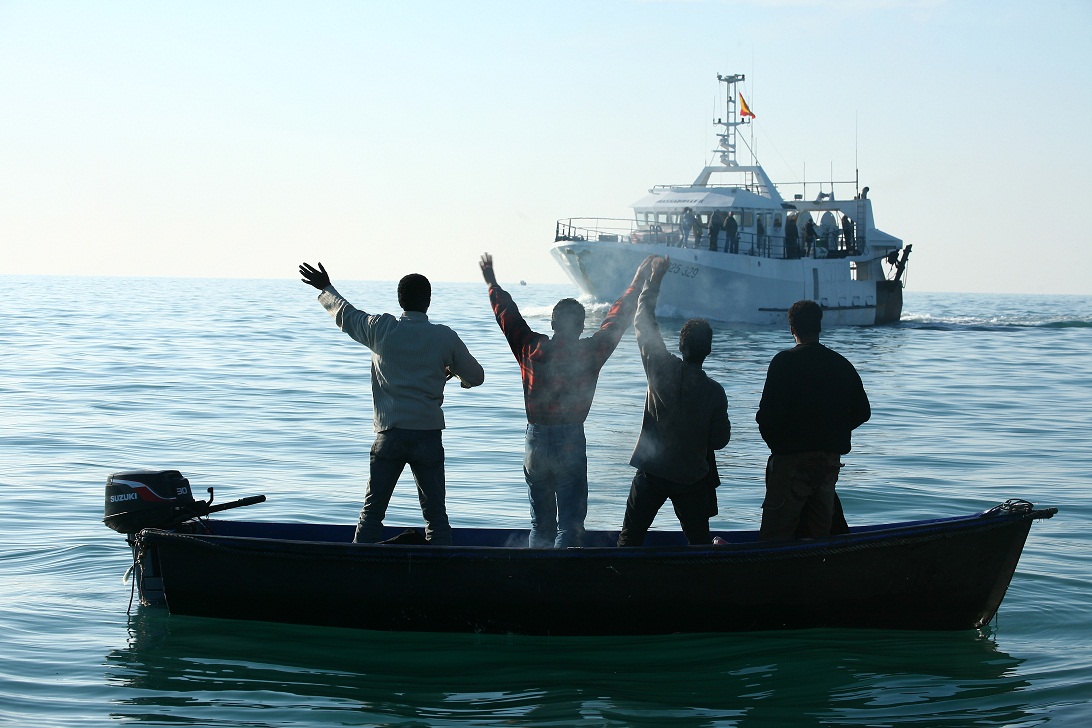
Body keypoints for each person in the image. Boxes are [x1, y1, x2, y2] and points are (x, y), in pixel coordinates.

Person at [299, 261, 485, 546]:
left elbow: (345, 314)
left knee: (372, 513)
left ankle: (358, 564)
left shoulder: (380, 329)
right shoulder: (444, 337)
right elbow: (476, 376)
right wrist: (455, 374)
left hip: (390, 435)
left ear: (400, 301)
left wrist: (326, 287)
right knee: (436, 516)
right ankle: (442, 566)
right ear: (428, 301)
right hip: (428, 436)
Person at [480, 253, 654, 548]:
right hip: (570, 439)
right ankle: (561, 572)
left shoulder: (530, 349)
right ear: (582, 326)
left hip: (535, 440)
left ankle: (537, 571)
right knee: (569, 526)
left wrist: (492, 283)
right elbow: (617, 318)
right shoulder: (590, 352)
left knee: (541, 524)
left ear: (552, 322)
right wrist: (638, 280)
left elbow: (507, 316)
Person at [617, 256, 731, 547]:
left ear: (681, 345)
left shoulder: (660, 367)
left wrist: (655, 278)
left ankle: (619, 574)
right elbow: (719, 441)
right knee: (699, 543)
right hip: (691, 478)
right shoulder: (715, 392)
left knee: (630, 540)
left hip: (652, 471)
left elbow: (643, 319)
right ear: (708, 351)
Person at [755, 300, 870, 541]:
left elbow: (766, 417)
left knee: (776, 537)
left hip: (790, 461)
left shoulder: (783, 362)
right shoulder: (841, 364)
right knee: (820, 536)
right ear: (819, 327)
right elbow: (863, 412)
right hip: (828, 463)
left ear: (792, 329)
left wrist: (780, 446)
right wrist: (832, 430)